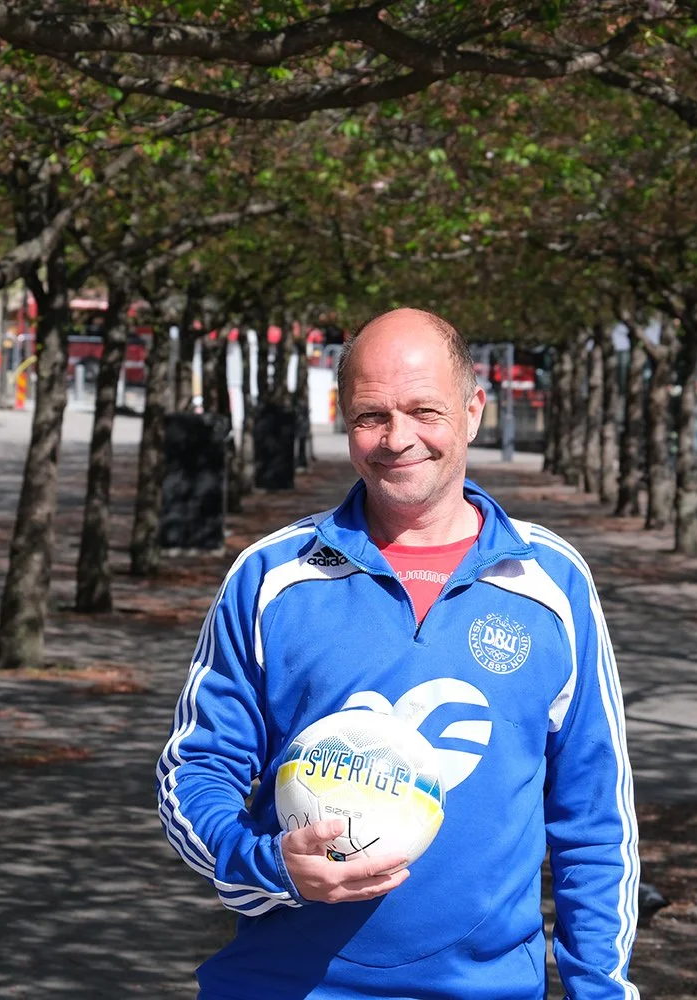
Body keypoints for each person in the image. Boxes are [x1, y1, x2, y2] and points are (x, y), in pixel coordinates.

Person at [156, 308, 638, 1000]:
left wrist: (602, 989)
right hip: (282, 986)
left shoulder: (550, 582)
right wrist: (268, 866)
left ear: (474, 410)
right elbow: (193, 772)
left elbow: (595, 820)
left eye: (423, 410)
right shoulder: (274, 577)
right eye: (371, 415)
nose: (397, 439)